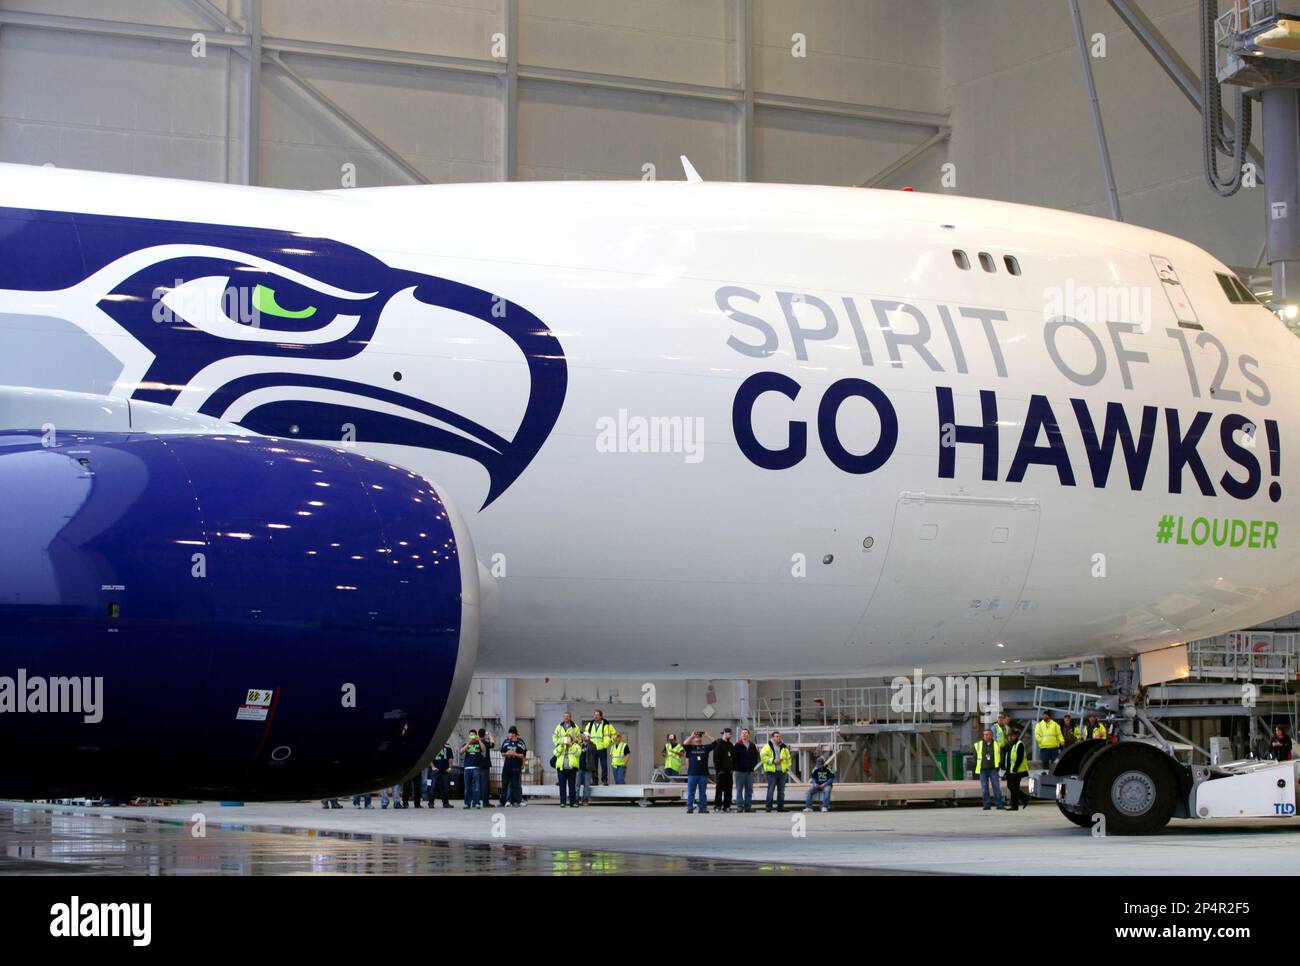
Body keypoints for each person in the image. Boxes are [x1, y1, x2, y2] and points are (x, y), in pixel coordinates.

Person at [682, 730, 717, 814]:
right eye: (696, 738)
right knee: (691, 792)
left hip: (703, 774)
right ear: (693, 740)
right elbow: (684, 744)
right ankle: (690, 807)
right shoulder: (690, 748)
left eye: (699, 737)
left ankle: (702, 808)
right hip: (692, 774)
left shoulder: (705, 748)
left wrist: (707, 735)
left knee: (702, 792)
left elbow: (715, 743)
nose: (698, 739)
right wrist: (691, 736)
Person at [761, 730, 792, 812]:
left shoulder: (784, 747)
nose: (778, 738)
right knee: (771, 789)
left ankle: (780, 807)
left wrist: (787, 768)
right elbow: (763, 757)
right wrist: (772, 760)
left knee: (781, 791)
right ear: (773, 737)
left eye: (779, 736)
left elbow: (788, 758)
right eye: (776, 736)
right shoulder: (767, 746)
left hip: (782, 772)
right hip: (772, 772)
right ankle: (768, 807)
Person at [974, 727, 1004, 811]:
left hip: (993, 769)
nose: (986, 736)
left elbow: (1001, 756)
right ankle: (986, 805)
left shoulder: (996, 745)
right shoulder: (978, 745)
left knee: (996, 787)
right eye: (984, 735)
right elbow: (975, 757)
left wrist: (1001, 767)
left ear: (991, 735)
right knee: (984, 788)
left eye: (987, 734)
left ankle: (999, 804)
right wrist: (976, 767)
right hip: (982, 769)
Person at [584, 709, 614, 785]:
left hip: (602, 748)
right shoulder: (590, 724)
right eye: (595, 715)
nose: (595, 716)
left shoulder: (606, 725)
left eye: (597, 715)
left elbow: (614, 734)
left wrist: (609, 742)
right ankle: (595, 780)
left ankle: (604, 780)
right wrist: (586, 740)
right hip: (592, 748)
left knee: (604, 765)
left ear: (601, 716)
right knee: (594, 766)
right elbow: (585, 735)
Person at [499, 726, 527, 807]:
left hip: (516, 766)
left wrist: (515, 755)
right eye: (508, 733)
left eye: (510, 733)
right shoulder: (506, 742)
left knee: (515, 784)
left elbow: (523, 755)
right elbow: (502, 753)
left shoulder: (520, 742)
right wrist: (506, 754)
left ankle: (516, 801)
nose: (509, 735)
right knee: (505, 784)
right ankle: (503, 801)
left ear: (514, 734)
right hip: (507, 766)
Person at [461, 729, 489, 809]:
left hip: (476, 768)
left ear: (476, 735)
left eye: (473, 735)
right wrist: (469, 743)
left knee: (476, 787)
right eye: (471, 735)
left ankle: (476, 802)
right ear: (469, 736)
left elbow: (484, 750)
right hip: (467, 768)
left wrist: (479, 740)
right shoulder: (466, 743)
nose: (472, 737)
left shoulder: (479, 743)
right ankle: (467, 803)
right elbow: (461, 751)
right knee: (467, 787)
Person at [733, 728, 760, 812]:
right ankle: (740, 806)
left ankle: (748, 806)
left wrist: (752, 766)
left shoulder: (752, 745)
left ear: (748, 735)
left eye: (746, 733)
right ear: (741, 735)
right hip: (739, 771)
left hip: (749, 771)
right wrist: (737, 767)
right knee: (739, 789)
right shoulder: (737, 745)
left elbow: (756, 757)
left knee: (749, 790)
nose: (744, 734)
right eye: (743, 733)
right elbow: (734, 758)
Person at [554, 725, 581, 807]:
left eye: (569, 738)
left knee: (572, 786)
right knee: (562, 786)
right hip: (561, 769)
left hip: (571, 768)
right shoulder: (561, 746)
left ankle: (572, 802)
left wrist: (571, 746)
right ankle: (563, 802)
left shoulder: (575, 746)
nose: (567, 740)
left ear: (571, 739)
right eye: (566, 739)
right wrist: (562, 746)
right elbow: (555, 753)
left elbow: (578, 753)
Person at [1004, 727, 1030, 810]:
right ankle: (1024, 798)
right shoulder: (1011, 745)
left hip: (1017, 771)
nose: (1011, 737)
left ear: (1016, 736)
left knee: (1014, 787)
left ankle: (1015, 805)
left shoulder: (1019, 744)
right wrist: (1006, 770)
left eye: (1012, 736)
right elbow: (1009, 759)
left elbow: (1020, 758)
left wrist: (1015, 768)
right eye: (1010, 736)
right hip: (1010, 770)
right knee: (1011, 787)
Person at [713, 727, 735, 811]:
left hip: (729, 771)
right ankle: (717, 805)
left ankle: (727, 806)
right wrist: (718, 770)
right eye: (729, 733)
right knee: (719, 789)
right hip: (721, 771)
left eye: (731, 733)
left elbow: (733, 757)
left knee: (728, 789)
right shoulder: (719, 744)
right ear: (724, 733)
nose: (730, 735)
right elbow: (716, 758)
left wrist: (732, 768)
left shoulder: (730, 745)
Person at [428, 741, 455, 808]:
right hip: (436, 770)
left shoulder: (448, 749)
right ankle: (431, 802)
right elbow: (429, 758)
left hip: (445, 770)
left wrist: (449, 767)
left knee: (445, 787)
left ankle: (445, 803)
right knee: (433, 786)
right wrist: (433, 767)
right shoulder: (433, 748)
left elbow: (450, 758)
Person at [577, 733, 598, 806]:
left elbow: (594, 750)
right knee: (577, 785)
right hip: (579, 768)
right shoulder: (579, 745)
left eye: (586, 736)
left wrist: (588, 742)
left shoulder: (592, 745)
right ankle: (576, 800)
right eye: (584, 736)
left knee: (586, 785)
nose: (585, 737)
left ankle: (585, 800)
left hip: (588, 768)